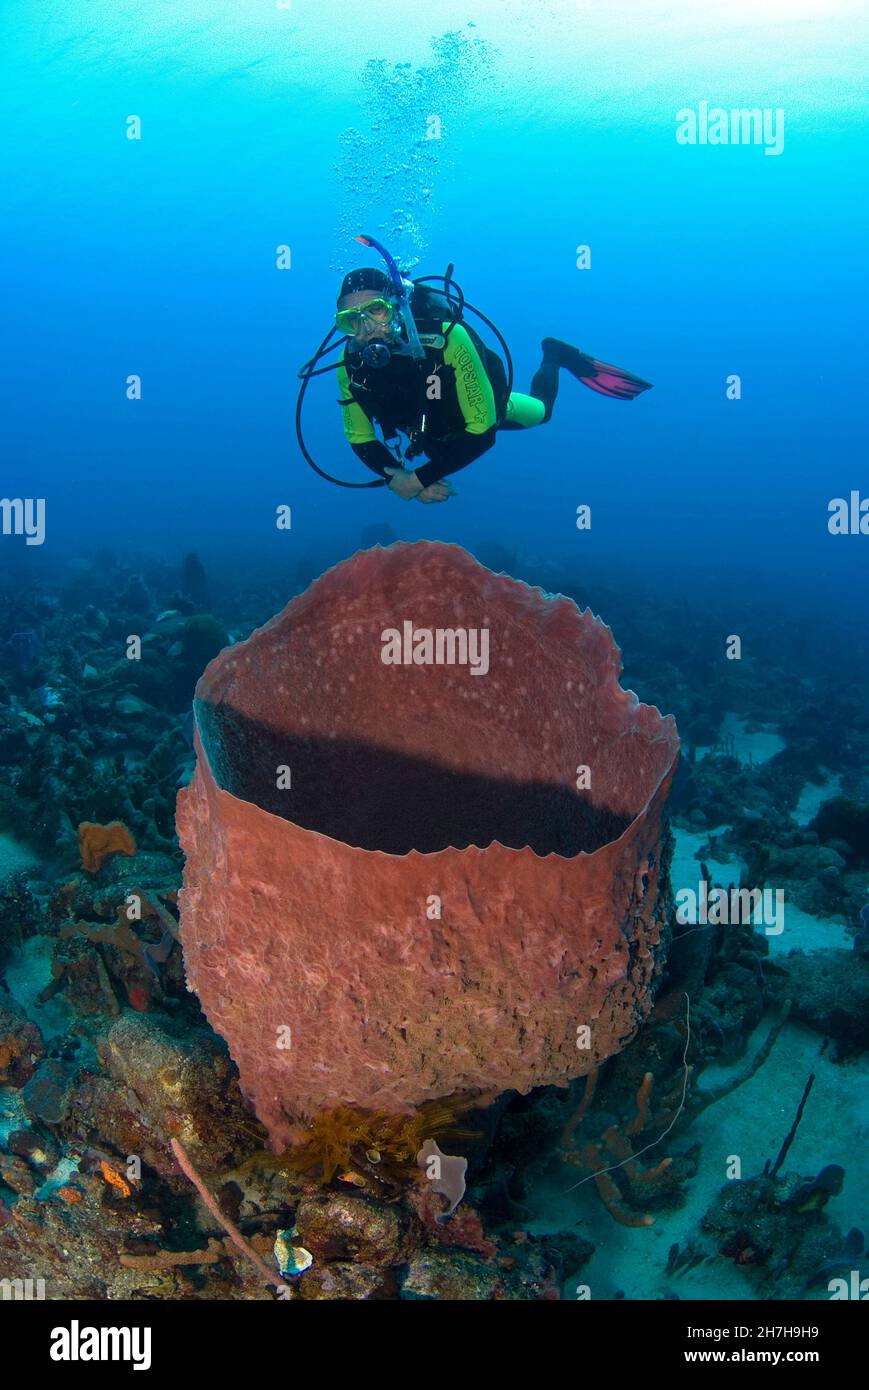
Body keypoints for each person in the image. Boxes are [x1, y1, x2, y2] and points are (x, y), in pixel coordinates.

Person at [335, 267, 652, 503]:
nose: (367, 328)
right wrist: (398, 479)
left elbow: (482, 433)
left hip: (480, 411)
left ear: (396, 306)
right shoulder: (350, 368)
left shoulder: (447, 339)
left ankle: (554, 355)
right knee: (437, 446)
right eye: (352, 319)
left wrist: (417, 479)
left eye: (376, 310)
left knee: (542, 412)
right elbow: (361, 438)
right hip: (431, 434)